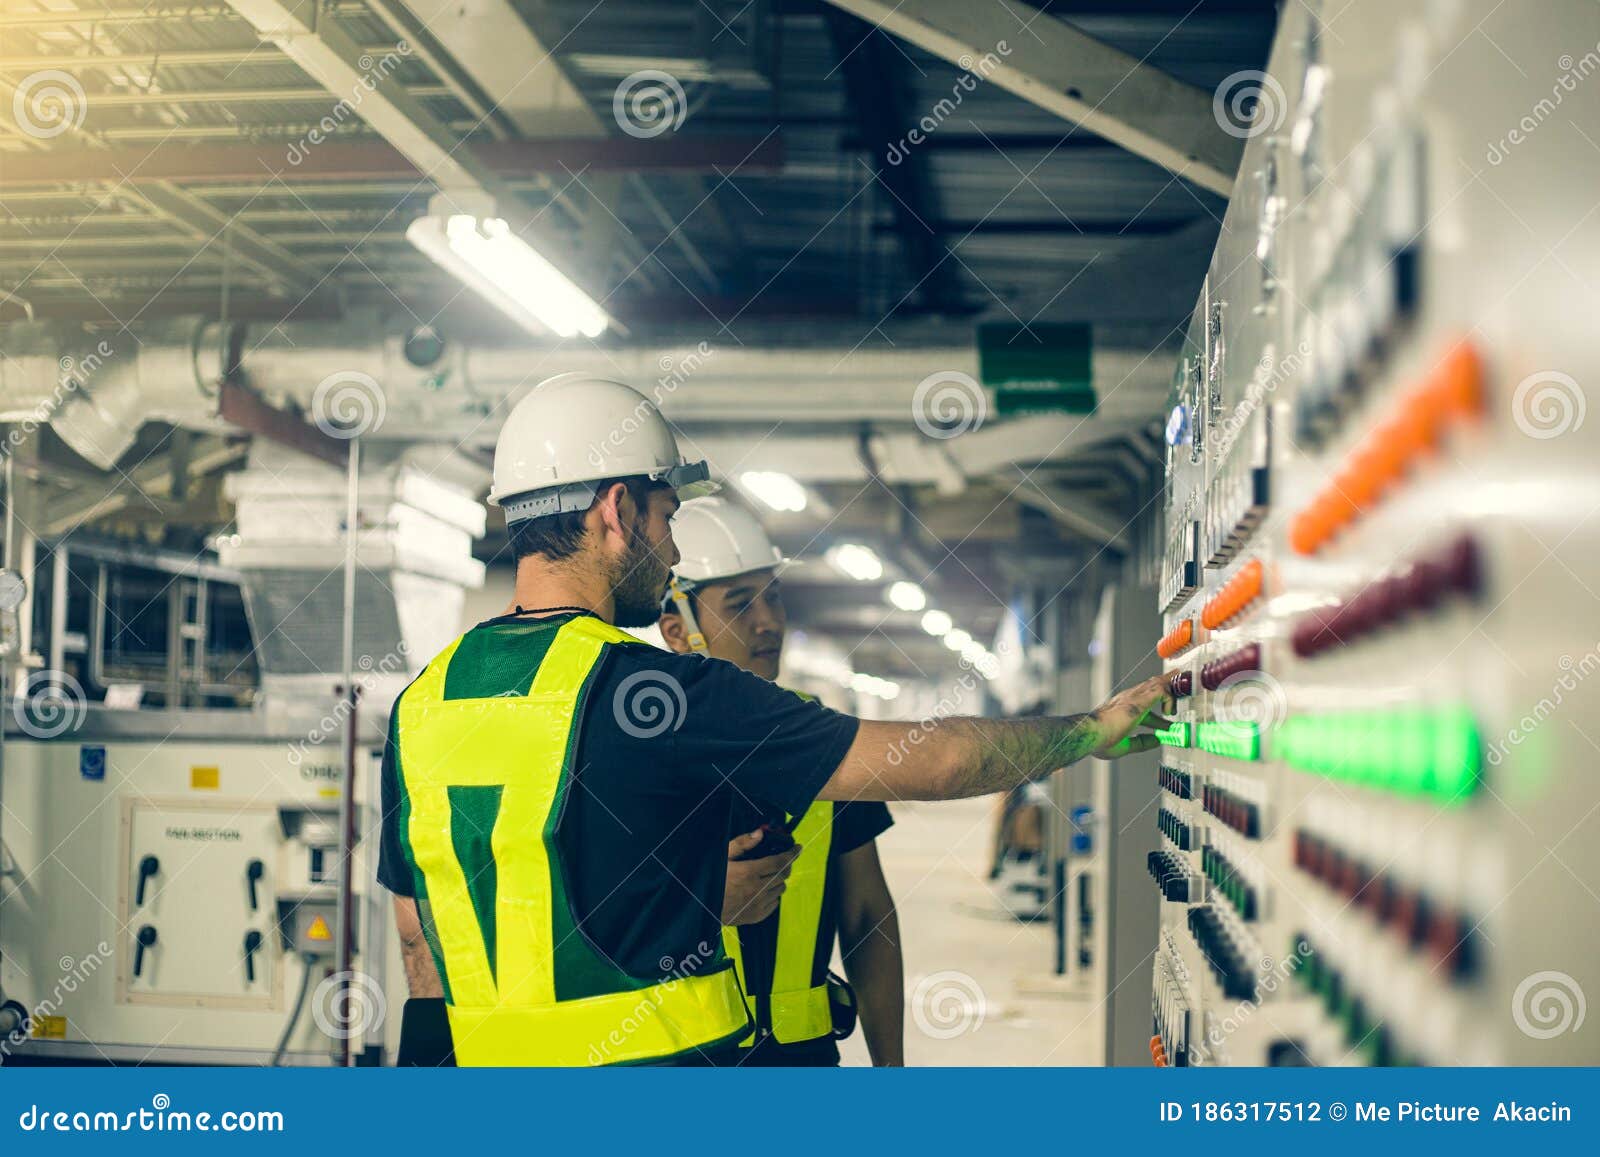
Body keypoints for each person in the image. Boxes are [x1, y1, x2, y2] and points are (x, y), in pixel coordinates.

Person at [376, 373, 1166, 1067]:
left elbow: (421, 934)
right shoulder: (660, 691)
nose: (674, 546)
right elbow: (938, 762)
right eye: (665, 514)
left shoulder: (424, 703)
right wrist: (1090, 732)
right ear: (616, 509)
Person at [657, 496, 903, 1066]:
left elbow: (867, 914)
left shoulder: (825, 740)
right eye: (741, 605)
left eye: (774, 597)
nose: (769, 621)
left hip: (804, 1060)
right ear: (677, 630)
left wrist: (891, 1067)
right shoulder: (637, 748)